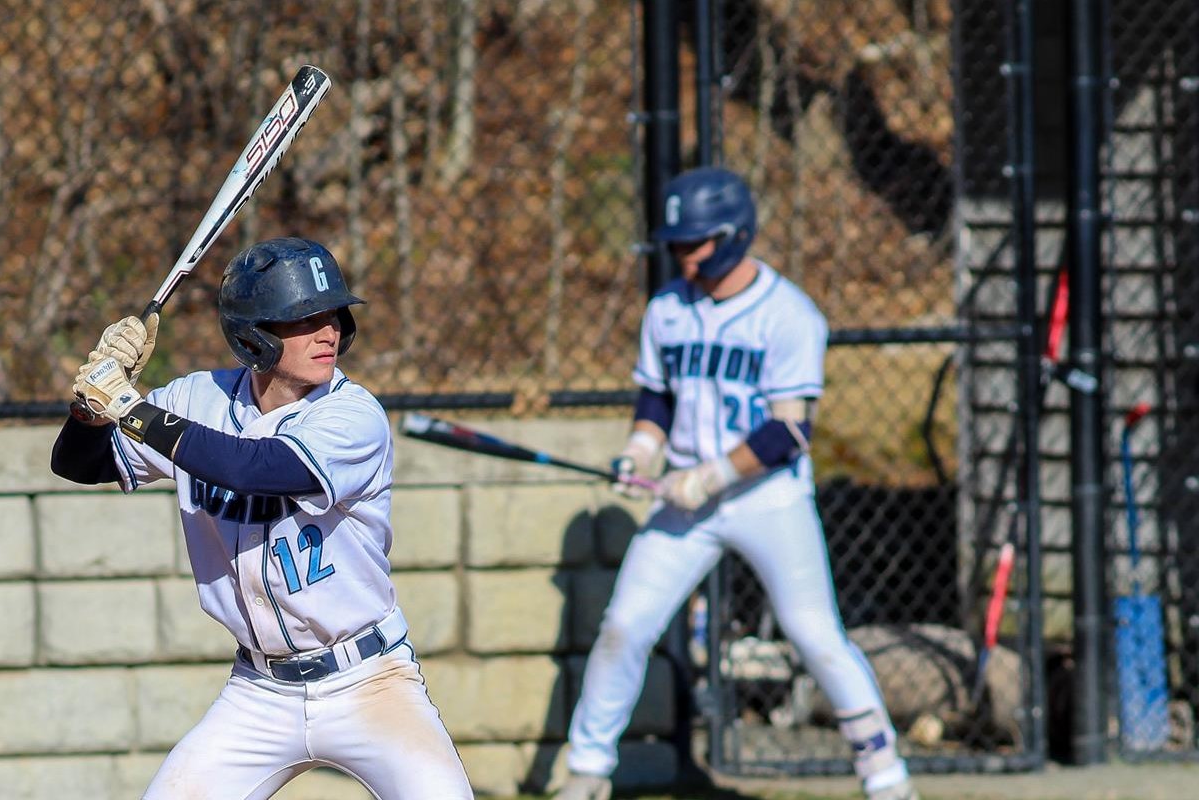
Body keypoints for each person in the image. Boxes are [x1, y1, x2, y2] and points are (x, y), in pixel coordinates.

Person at [53, 237, 472, 799]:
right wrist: (90, 407)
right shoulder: (198, 399)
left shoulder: (353, 414)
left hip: (370, 682)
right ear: (252, 336)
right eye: (303, 320)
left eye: (333, 315)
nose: (328, 333)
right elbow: (78, 463)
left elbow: (254, 468)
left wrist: (128, 407)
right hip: (259, 693)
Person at [551, 167, 916, 800]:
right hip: (686, 503)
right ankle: (586, 774)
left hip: (766, 498)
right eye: (677, 244)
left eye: (694, 243)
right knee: (624, 626)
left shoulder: (788, 313)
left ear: (733, 235)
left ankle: (887, 780)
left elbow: (790, 431)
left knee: (815, 636)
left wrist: (713, 475)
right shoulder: (668, 309)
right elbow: (657, 400)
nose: (683, 256)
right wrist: (641, 450)